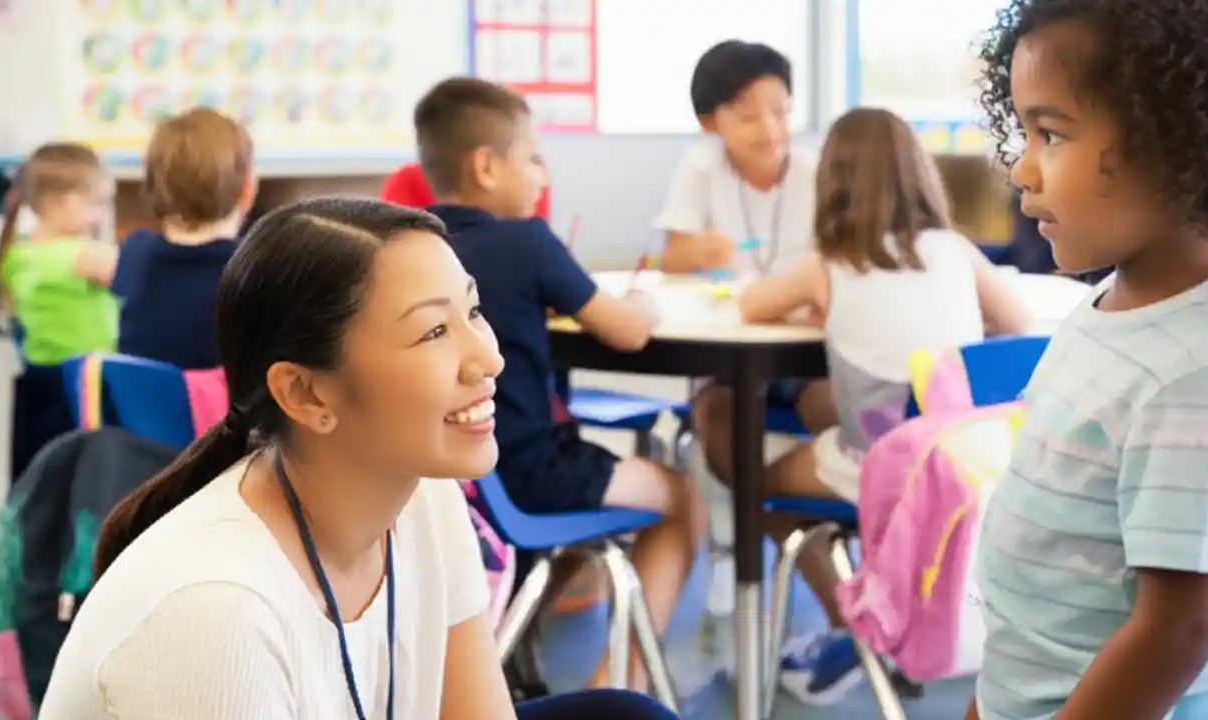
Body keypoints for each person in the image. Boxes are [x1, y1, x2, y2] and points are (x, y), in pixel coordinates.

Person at [38, 197, 680, 720]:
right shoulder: (212, 617)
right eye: (433, 331)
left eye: (473, 310)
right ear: (306, 392)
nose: (489, 358)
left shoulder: (424, 495)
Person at [969, 1, 1208, 718]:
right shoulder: (1109, 307)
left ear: (1176, 139)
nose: (1021, 170)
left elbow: (1177, 629)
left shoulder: (1205, 367)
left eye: (1052, 132)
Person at [415, 77, 706, 691]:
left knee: (589, 524)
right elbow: (624, 330)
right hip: (526, 471)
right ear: (487, 166)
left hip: (451, 479)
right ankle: (616, 683)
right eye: (534, 158)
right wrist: (643, 305)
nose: (544, 176)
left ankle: (515, 643)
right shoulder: (528, 242)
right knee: (683, 498)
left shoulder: (414, 244)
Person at [737, 107, 1033, 705]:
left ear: (832, 183)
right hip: (962, 463)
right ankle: (870, 612)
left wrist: (817, 309)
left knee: (754, 488)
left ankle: (853, 628)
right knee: (827, 410)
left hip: (879, 463)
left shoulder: (829, 263)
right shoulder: (954, 250)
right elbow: (1019, 324)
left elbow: (750, 305)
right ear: (919, 174)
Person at [657, 39, 837, 494]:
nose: (770, 128)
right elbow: (671, 259)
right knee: (724, 438)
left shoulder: (814, 171)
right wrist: (698, 250)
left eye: (780, 111)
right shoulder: (701, 168)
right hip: (725, 355)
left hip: (805, 354)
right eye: (749, 115)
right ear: (710, 121)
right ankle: (803, 554)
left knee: (848, 433)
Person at [112, 107, 254, 369]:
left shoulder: (134, 253)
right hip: (222, 409)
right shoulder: (257, 272)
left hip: (146, 409)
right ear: (247, 190)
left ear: (151, 188)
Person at [0, 143, 117, 363]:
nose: (102, 214)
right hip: (87, 378)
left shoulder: (16, 254)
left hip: (42, 372)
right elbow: (142, 279)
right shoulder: (84, 256)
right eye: (98, 203)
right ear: (66, 202)